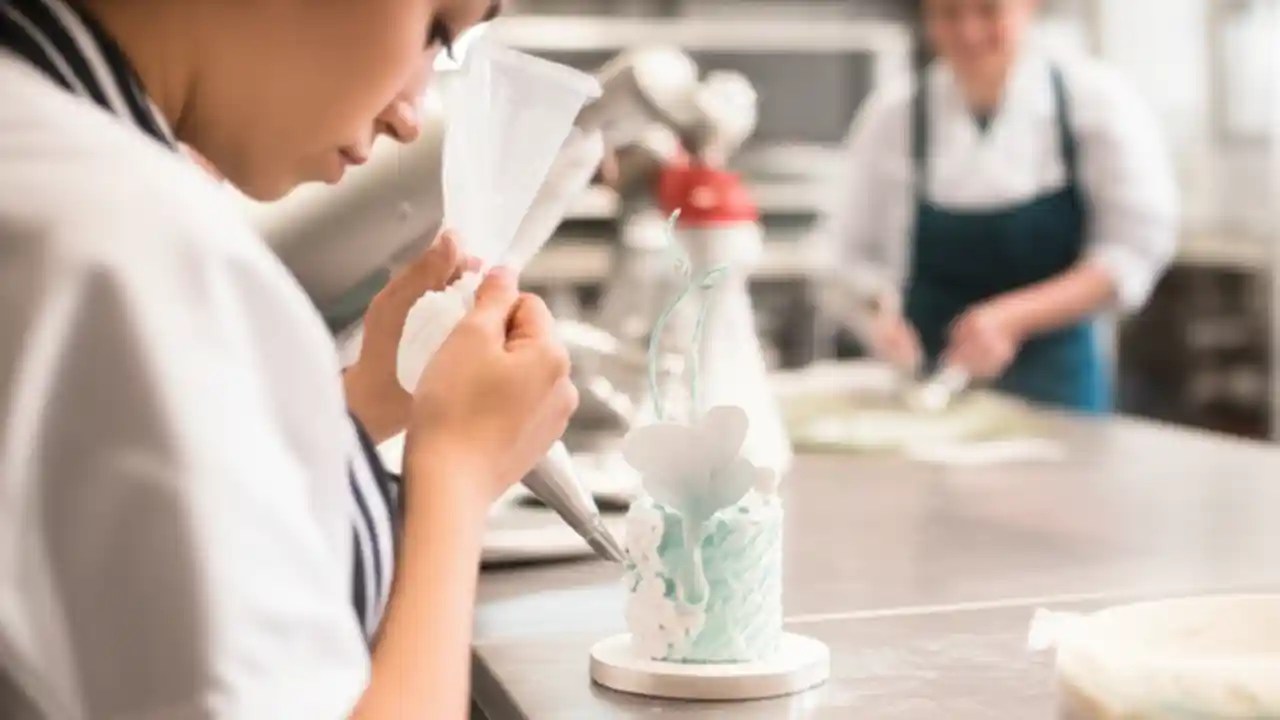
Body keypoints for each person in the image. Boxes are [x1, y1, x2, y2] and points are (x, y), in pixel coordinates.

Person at [0, 0, 578, 718]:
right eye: (435, 29)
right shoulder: (121, 241)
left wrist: (364, 403)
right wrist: (457, 477)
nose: (409, 113)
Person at [818, 0, 1178, 412]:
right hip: (928, 384)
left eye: (989, 11)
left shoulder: (1096, 103)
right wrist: (878, 315)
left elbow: (1132, 251)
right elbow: (847, 256)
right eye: (949, 15)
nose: (969, 33)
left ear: (1029, 8)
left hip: (1058, 388)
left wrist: (1014, 317)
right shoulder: (893, 117)